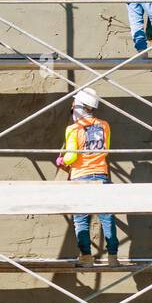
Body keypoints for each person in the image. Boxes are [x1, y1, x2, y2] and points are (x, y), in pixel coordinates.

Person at [55, 88, 116, 268]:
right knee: (106, 217)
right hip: (101, 174)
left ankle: (86, 257)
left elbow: (72, 156)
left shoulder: (73, 129)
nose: (72, 108)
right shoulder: (104, 125)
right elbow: (105, 150)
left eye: (73, 106)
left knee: (81, 218)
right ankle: (113, 257)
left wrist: (62, 160)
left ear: (80, 107)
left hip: (80, 176)